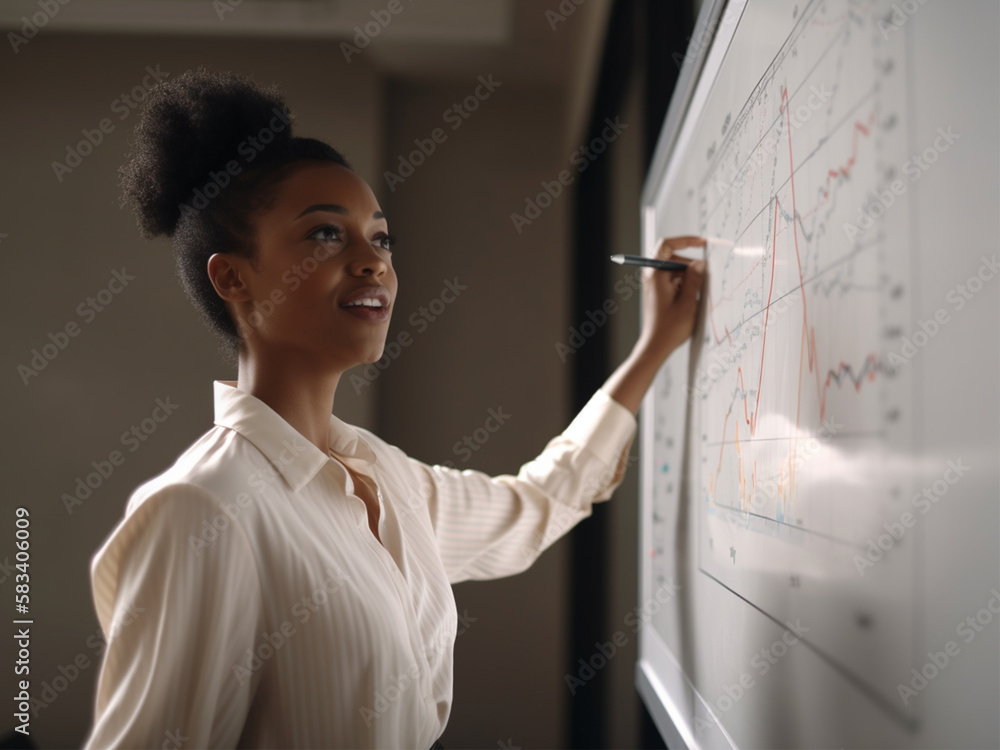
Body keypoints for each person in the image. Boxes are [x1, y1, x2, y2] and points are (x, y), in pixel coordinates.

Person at [81, 65, 706, 750]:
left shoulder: (384, 475)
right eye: (326, 234)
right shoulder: (203, 510)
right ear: (234, 276)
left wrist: (652, 349)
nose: (372, 261)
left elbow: (536, 505)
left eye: (381, 239)